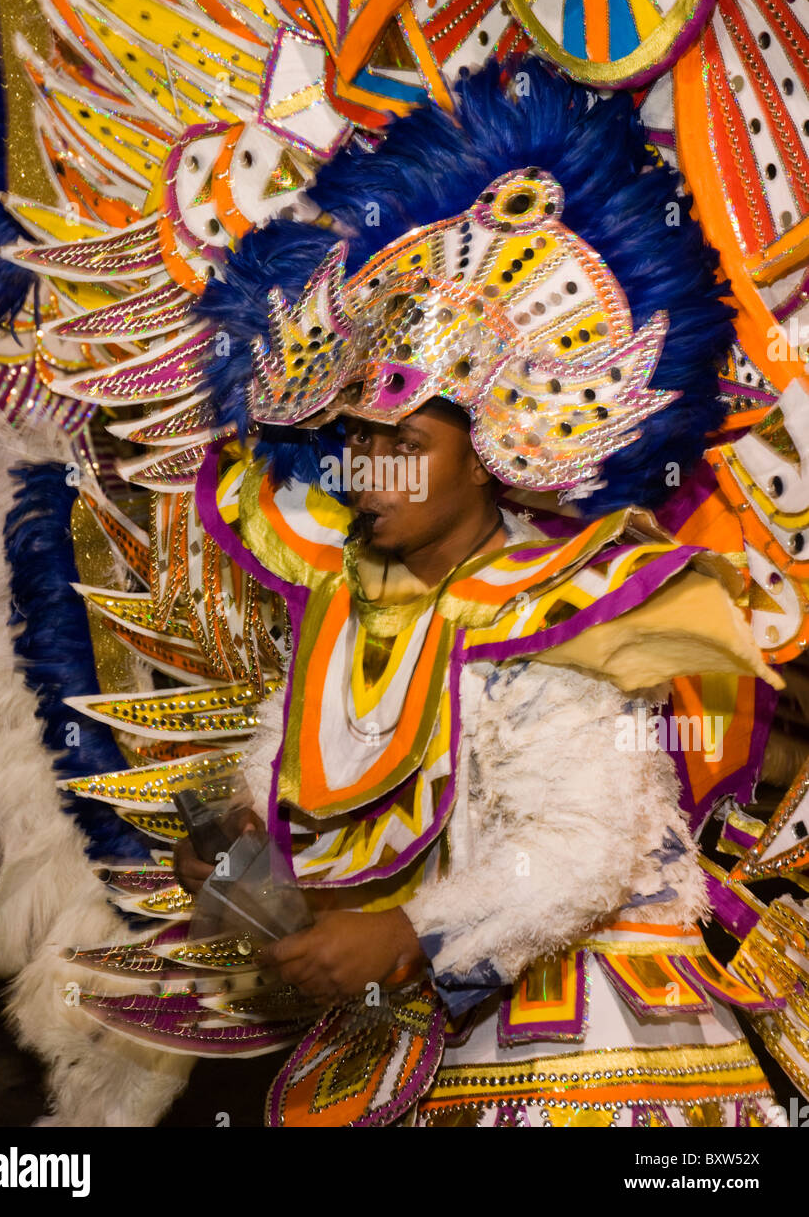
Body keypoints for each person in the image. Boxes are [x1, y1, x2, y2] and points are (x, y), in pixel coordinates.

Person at [177, 160, 786, 1126]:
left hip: (585, 1045)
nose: (370, 473)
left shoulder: (555, 610)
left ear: (490, 458)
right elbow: (300, 791)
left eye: (405, 446)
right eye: (358, 443)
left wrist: (412, 931)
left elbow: (584, 846)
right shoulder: (348, 602)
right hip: (424, 1028)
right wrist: (245, 865)